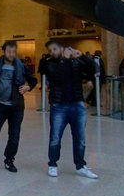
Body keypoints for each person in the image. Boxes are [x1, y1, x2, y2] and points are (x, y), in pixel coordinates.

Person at [38, 42, 99, 180]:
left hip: (76, 104)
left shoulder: (75, 62)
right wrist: (65, 60)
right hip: (59, 106)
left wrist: (82, 56)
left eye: (55, 49)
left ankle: (80, 165)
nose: (52, 52)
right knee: (55, 137)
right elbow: (56, 76)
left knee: (80, 138)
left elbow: (93, 69)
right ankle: (53, 164)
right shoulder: (49, 63)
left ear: (62, 49)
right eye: (50, 50)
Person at [0, 41, 36, 173]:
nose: (11, 54)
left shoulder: (21, 66)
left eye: (14, 52)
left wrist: (27, 87)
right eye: (9, 51)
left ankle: (9, 160)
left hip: (16, 107)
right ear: (4, 51)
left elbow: (33, 80)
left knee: (14, 135)